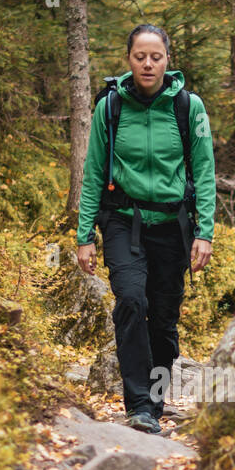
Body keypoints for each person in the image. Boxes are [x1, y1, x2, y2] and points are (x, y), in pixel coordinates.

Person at [76, 25, 216, 435]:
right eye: (140, 56)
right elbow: (93, 173)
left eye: (156, 56)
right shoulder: (111, 106)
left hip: (173, 226)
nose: (148, 64)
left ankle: (154, 403)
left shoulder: (188, 107)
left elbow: (205, 173)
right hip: (123, 221)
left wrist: (204, 231)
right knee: (132, 302)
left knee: (165, 320)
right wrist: (85, 236)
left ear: (168, 59)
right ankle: (138, 404)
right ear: (129, 60)